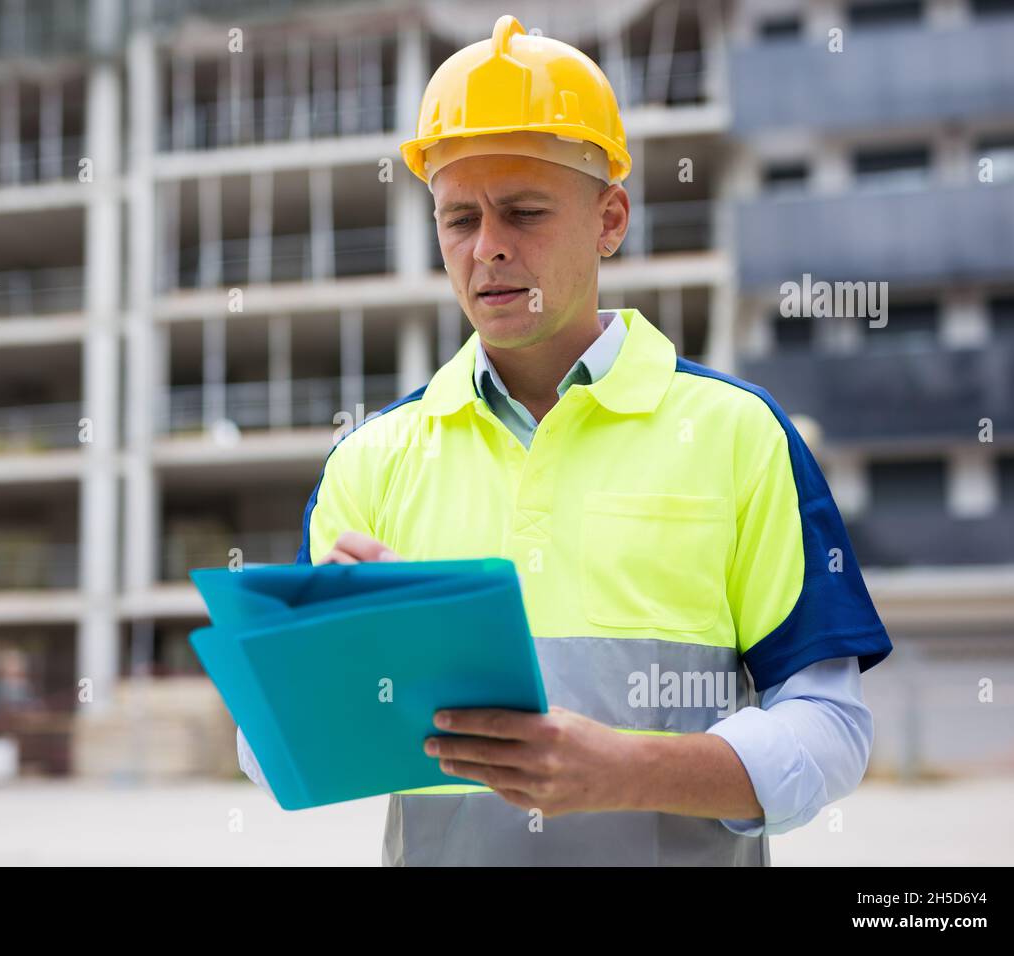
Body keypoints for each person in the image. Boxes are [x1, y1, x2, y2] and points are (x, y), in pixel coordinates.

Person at [239, 14, 893, 866]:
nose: (489, 250)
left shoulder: (738, 434)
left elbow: (832, 730)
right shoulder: (371, 458)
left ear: (610, 218)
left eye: (523, 211)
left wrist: (629, 770)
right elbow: (269, 759)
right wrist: (320, 661)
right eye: (459, 219)